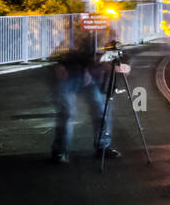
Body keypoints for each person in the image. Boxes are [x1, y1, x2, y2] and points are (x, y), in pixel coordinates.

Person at [48, 25, 121, 164]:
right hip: (71, 72)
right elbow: (64, 51)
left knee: (100, 110)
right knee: (67, 112)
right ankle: (60, 150)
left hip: (88, 74)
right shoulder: (77, 30)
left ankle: (102, 146)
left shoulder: (97, 28)